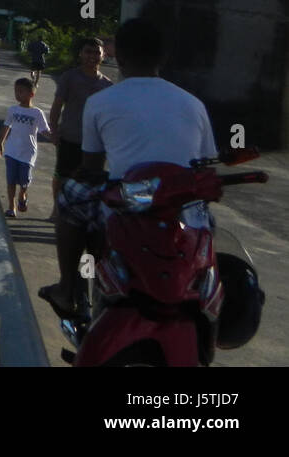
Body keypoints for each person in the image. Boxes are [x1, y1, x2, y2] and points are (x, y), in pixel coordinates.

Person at [38, 19, 218, 317]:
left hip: (128, 204)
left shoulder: (102, 101)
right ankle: (209, 303)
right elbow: (206, 170)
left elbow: (91, 168)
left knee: (70, 195)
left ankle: (67, 288)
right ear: (163, 58)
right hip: (182, 208)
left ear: (118, 56)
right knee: (208, 227)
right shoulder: (193, 104)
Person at [46, 37, 113, 221]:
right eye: (88, 52)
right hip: (69, 136)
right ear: (80, 54)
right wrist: (54, 130)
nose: (92, 56)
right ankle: (57, 209)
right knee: (62, 175)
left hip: (95, 143)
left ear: (103, 56)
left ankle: (83, 213)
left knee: (90, 180)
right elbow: (57, 105)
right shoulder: (69, 77)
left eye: (96, 52)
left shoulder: (107, 85)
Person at [0, 77, 51, 217]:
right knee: (10, 180)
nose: (17, 94)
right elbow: (6, 126)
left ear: (31, 94)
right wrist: (1, 143)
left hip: (27, 153)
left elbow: (44, 130)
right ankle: (11, 207)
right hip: (12, 151)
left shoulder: (37, 113)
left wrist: (55, 138)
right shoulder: (13, 110)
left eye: (21, 92)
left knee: (24, 181)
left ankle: (23, 194)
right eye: (16, 91)